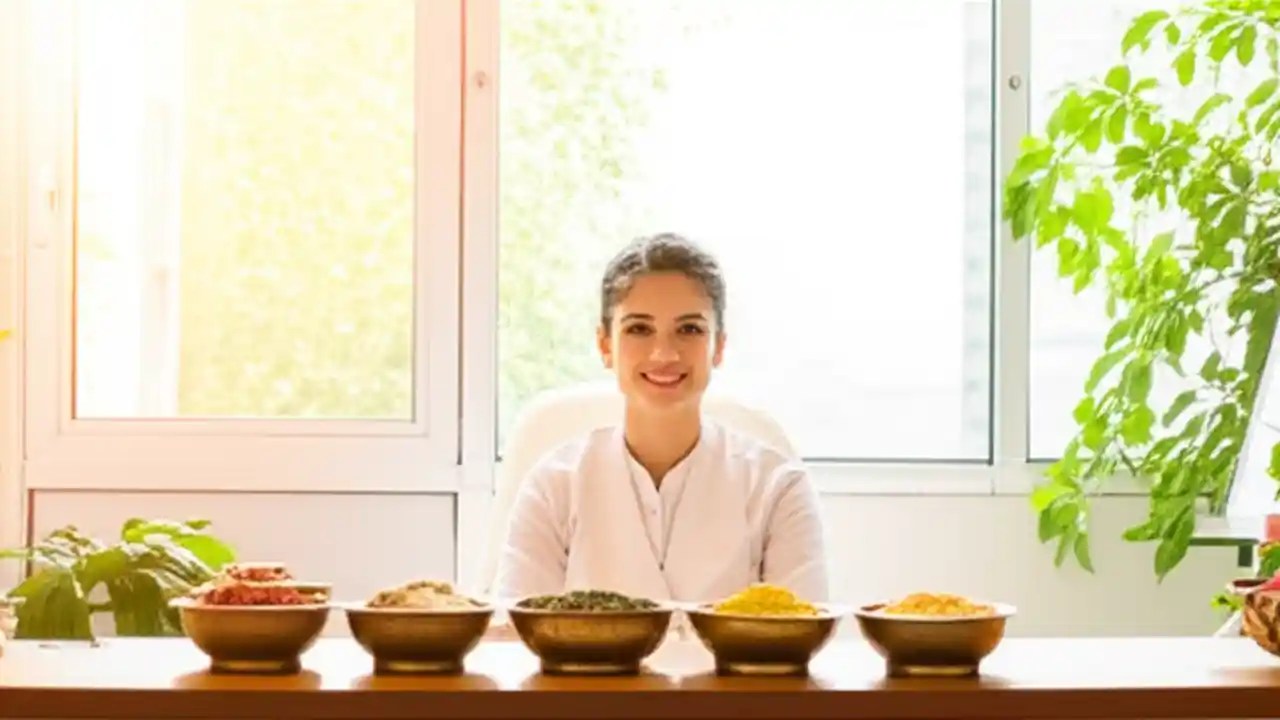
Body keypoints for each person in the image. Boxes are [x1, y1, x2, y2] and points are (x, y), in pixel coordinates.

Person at [493, 233, 828, 604]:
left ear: (718, 347)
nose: (664, 352)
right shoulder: (553, 487)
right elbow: (514, 638)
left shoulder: (777, 488)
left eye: (689, 329)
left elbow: (799, 638)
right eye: (639, 328)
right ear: (606, 346)